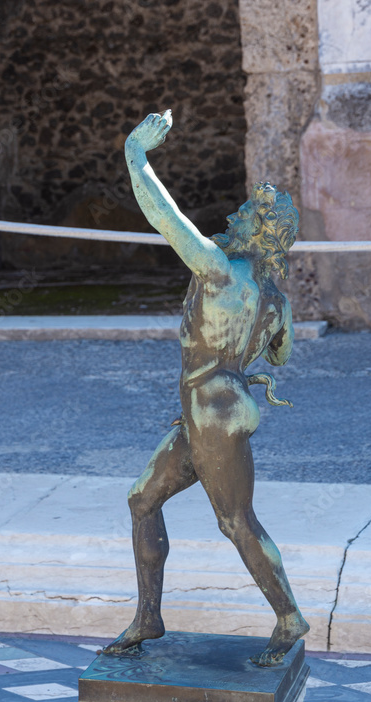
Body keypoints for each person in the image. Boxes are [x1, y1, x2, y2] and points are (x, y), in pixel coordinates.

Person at [105, 110, 309, 665]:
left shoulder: (218, 270)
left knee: (234, 520)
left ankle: (289, 616)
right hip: (213, 406)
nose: (234, 215)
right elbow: (281, 352)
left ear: (261, 232)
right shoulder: (276, 300)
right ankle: (149, 617)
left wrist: (135, 153)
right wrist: (243, 358)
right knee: (142, 497)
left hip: (212, 409)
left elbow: (167, 220)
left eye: (245, 213)